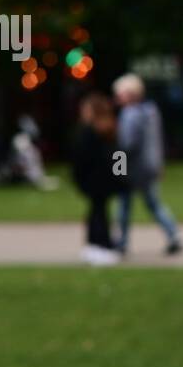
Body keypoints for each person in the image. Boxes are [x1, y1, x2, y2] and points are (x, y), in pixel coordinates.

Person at [113, 73, 182, 255]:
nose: (118, 97)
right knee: (154, 204)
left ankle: (122, 241)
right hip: (150, 166)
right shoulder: (151, 112)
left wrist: (115, 162)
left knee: (124, 206)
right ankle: (173, 234)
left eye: (120, 93)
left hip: (131, 168)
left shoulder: (129, 115)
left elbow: (126, 144)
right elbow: (156, 142)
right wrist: (159, 164)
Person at [72, 92, 126, 266]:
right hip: (106, 179)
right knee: (100, 211)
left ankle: (98, 245)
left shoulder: (89, 131)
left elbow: (81, 158)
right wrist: (121, 175)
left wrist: (79, 177)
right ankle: (102, 244)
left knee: (97, 212)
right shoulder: (110, 128)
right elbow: (120, 154)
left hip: (95, 179)